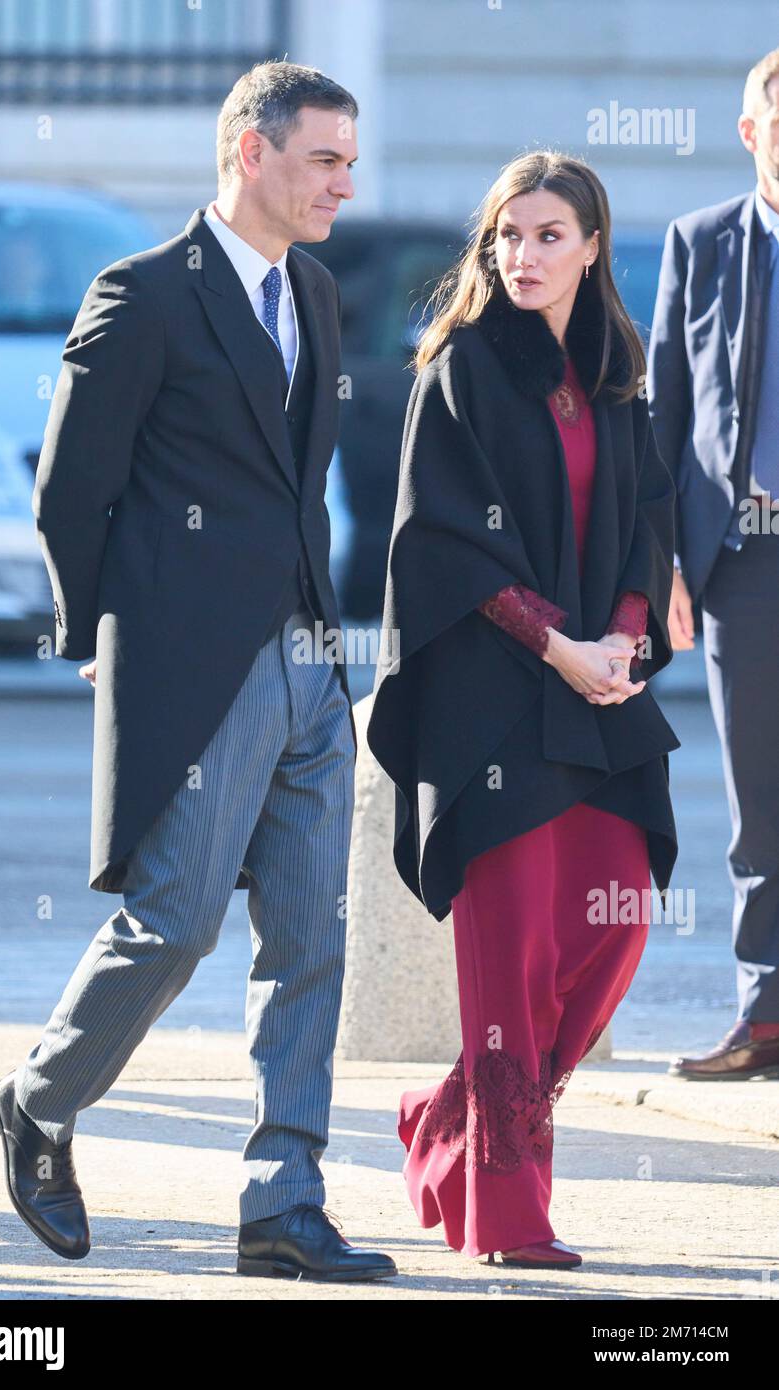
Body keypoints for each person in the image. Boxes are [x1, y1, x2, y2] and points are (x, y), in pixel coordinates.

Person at [0, 60, 397, 1284]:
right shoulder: (144, 293)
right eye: (322, 157)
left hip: (312, 661)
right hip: (194, 665)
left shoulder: (316, 291)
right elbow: (71, 491)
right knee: (171, 925)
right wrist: (100, 645)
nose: (341, 180)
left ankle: (282, 1204)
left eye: (347, 159)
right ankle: (35, 1099)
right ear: (247, 153)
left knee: (314, 939)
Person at [366, 150, 680, 1268]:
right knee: (508, 957)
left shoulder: (609, 371)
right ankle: (504, 1213)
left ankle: (443, 1118)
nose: (522, 255)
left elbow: (645, 516)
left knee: (613, 922)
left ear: (590, 247)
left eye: (548, 235)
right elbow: (438, 542)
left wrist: (619, 640)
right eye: (507, 234)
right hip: (493, 704)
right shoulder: (458, 369)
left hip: (596, 689)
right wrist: (554, 643)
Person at [649, 45, 779, 1081]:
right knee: (758, 801)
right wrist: (668, 567)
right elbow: (664, 419)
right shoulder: (699, 245)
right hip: (741, 560)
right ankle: (763, 1016)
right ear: (750, 134)